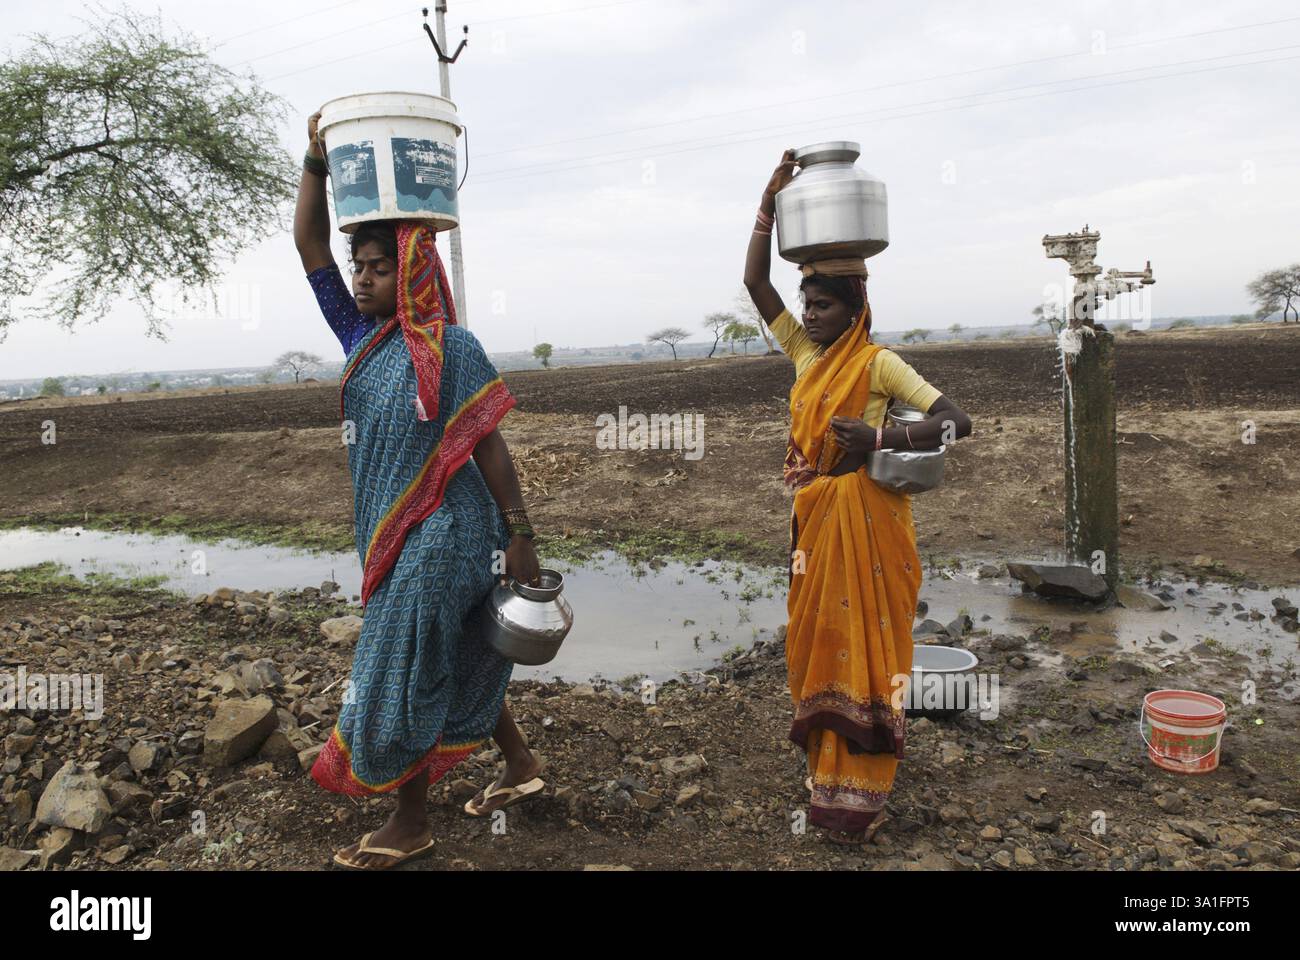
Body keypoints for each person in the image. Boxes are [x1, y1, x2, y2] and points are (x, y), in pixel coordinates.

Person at [294, 109, 547, 869]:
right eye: (359, 266)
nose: (363, 278)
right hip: (401, 528)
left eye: (377, 265)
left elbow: (490, 445)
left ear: (410, 269)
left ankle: (410, 821)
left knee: (407, 661)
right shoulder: (357, 336)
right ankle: (522, 766)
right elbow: (309, 245)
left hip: (453, 533)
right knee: (453, 648)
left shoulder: (452, 347)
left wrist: (523, 535)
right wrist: (314, 162)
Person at [743, 148, 973, 844]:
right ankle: (824, 778)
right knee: (817, 643)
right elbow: (756, 283)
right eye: (807, 303)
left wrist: (880, 441)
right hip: (815, 523)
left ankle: (860, 801)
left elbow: (957, 421)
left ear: (854, 309)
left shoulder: (879, 364)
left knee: (869, 650)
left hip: (870, 523)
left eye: (822, 305)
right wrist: (767, 202)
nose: (809, 315)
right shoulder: (806, 358)